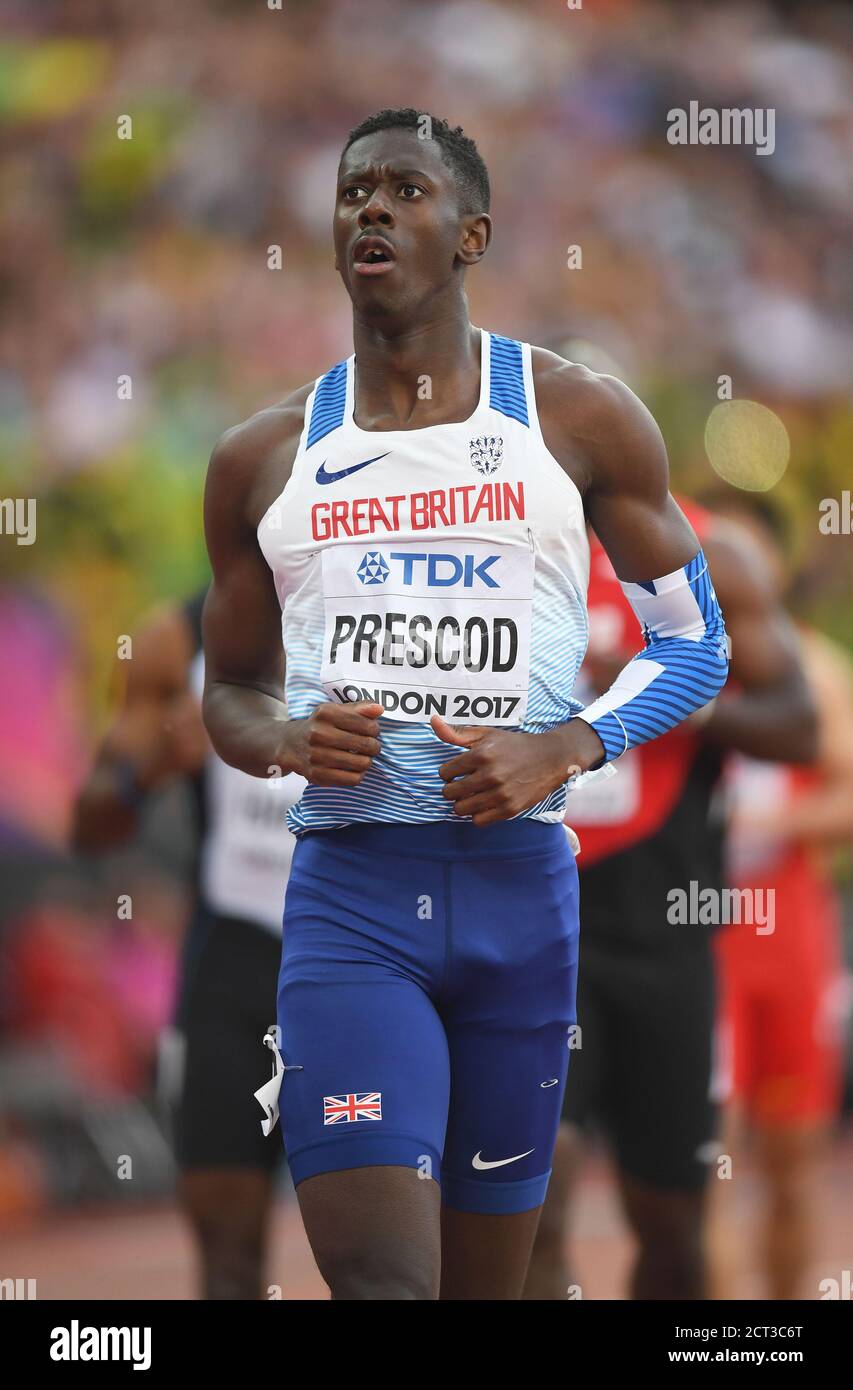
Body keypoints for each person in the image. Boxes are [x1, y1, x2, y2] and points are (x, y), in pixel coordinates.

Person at [201, 107, 729, 1301]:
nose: (371, 209)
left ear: (472, 232)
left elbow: (697, 646)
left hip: (521, 909)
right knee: (387, 1285)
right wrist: (282, 735)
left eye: (404, 190)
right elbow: (228, 693)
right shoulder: (265, 455)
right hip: (353, 907)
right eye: (353, 193)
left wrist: (568, 741)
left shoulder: (577, 417)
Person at [524, 501, 817, 1300]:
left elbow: (800, 727)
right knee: (531, 1199)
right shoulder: (485, 544)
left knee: (670, 1221)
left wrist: (683, 701)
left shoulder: (703, 555)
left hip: (668, 933)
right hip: (536, 930)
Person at [73, 590, 305, 1298]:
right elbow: (90, 828)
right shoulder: (177, 641)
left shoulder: (401, 597)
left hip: (374, 961)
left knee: (388, 1257)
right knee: (227, 1259)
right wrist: (144, 771)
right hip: (233, 967)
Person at [710, 504, 852, 1300]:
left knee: (795, 1160)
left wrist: (761, 820)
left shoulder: (814, 666)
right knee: (706, 1160)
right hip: (696, 932)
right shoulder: (664, 661)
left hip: (789, 930)